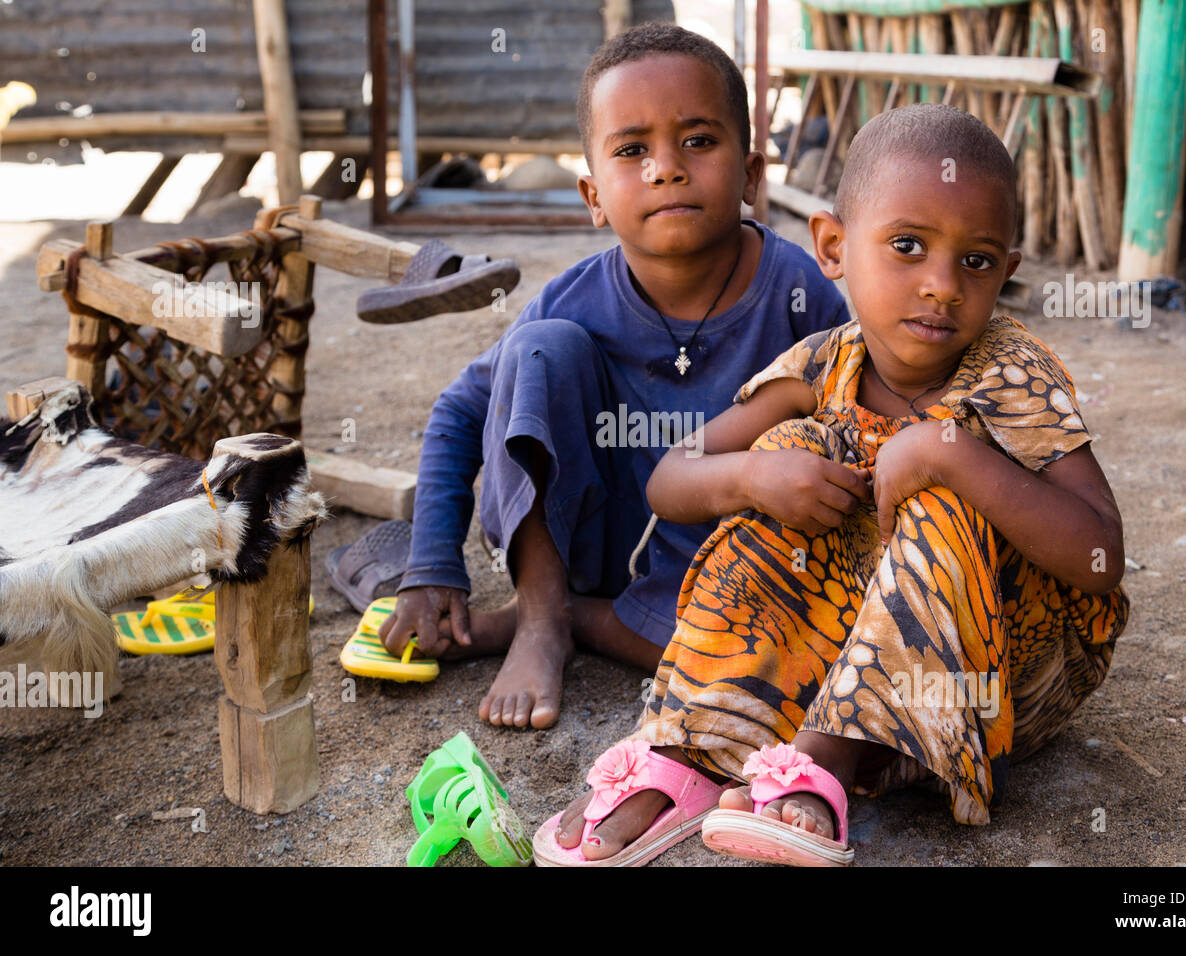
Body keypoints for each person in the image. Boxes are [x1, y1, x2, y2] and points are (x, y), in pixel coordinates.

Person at [535, 103, 1130, 866]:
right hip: (874, 683)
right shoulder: (823, 363)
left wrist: (951, 454)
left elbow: (1102, 559)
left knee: (938, 487)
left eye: (976, 261)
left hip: (1003, 683)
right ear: (834, 247)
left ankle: (823, 760)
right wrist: (754, 474)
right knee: (786, 449)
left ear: (1006, 272)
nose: (943, 286)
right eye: (908, 246)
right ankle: (694, 745)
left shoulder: (1011, 374)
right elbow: (671, 480)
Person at [379, 23, 851, 730]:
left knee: (776, 663)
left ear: (753, 176)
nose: (666, 168)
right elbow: (457, 413)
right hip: (593, 544)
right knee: (539, 349)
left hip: (735, 574)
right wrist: (432, 564)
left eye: (698, 141)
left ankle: (575, 622)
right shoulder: (574, 297)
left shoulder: (804, 293)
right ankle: (540, 616)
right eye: (632, 151)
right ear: (594, 194)